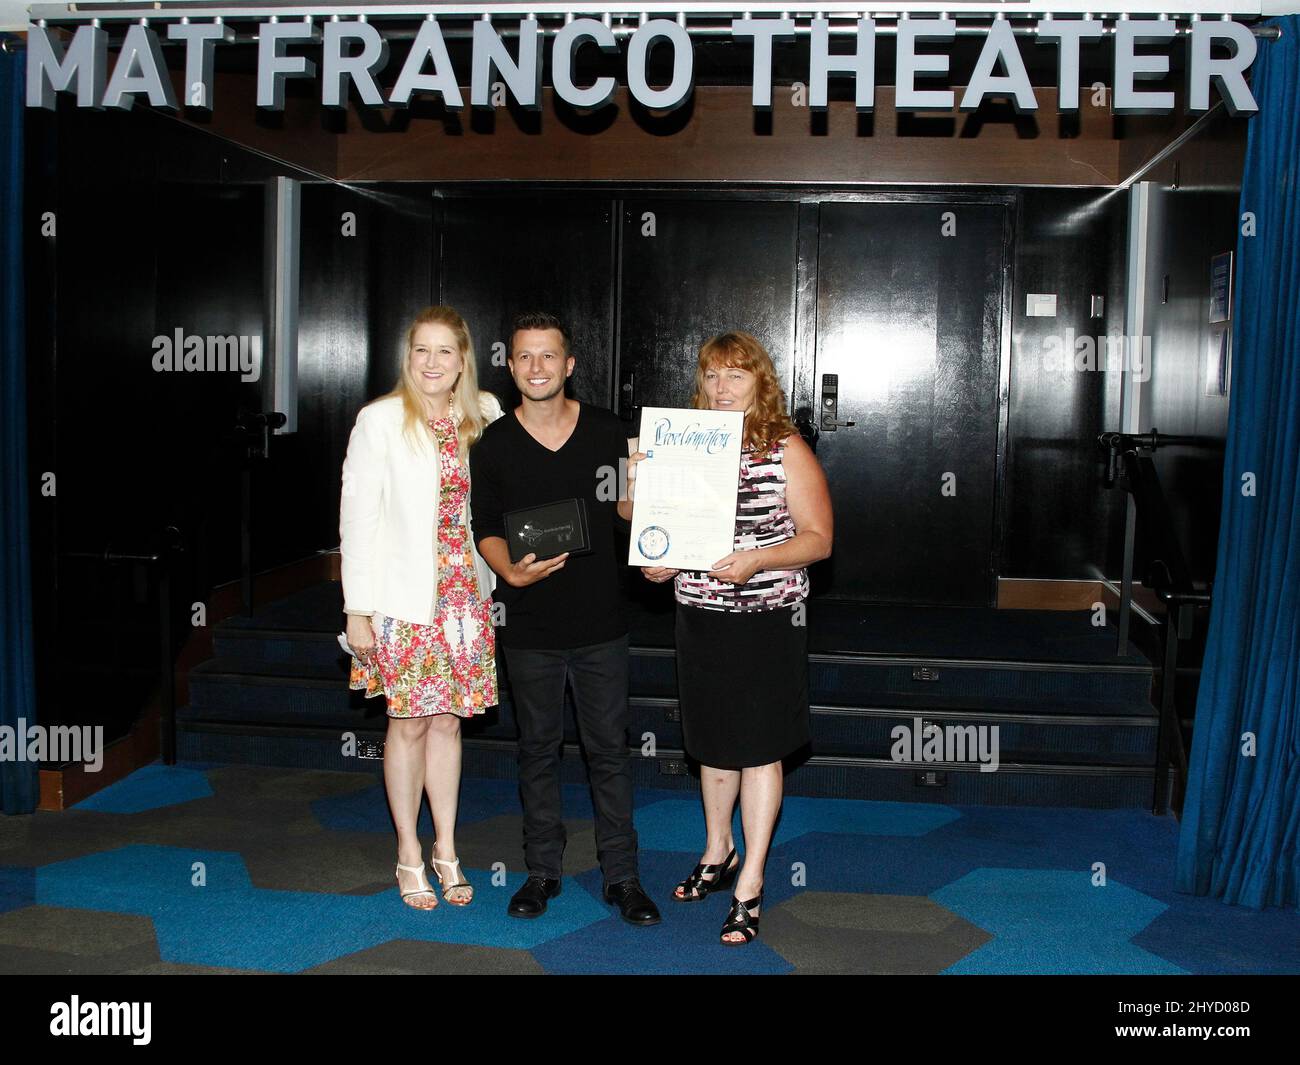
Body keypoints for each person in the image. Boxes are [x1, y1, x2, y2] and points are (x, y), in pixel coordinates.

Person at [629, 331, 832, 945]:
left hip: (769, 619)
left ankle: (752, 882)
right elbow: (641, 521)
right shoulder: (682, 442)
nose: (722, 388)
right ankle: (717, 853)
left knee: (761, 747)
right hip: (699, 614)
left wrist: (757, 559)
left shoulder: (784, 446)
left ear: (759, 382)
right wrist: (654, 556)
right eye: (713, 376)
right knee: (713, 745)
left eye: (736, 376)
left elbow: (819, 540)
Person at [470, 311, 660, 927]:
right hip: (529, 626)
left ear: (570, 365)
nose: (537, 368)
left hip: (602, 622)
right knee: (537, 752)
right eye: (525, 357)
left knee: (608, 753)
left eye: (548, 356)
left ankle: (622, 878)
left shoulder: (609, 432)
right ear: (511, 365)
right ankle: (542, 872)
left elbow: (631, 512)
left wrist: (651, 483)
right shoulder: (494, 445)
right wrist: (511, 573)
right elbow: (486, 527)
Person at [339, 306, 503, 910]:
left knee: (450, 723)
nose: (432, 363)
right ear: (407, 359)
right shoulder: (379, 421)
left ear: (464, 360)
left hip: (466, 595)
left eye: (445, 352)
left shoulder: (483, 417)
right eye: (421, 351)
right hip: (403, 600)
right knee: (406, 724)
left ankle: (447, 848)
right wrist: (358, 610)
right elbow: (358, 519)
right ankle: (409, 849)